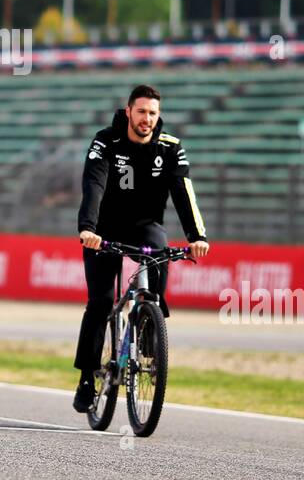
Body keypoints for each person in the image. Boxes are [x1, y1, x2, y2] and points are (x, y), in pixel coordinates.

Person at [72, 84, 210, 412]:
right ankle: (88, 379)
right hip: (102, 230)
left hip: (144, 227)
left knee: (161, 254)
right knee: (102, 302)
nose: (147, 119)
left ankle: (150, 327)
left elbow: (183, 192)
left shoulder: (171, 148)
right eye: (141, 112)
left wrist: (197, 236)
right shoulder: (107, 140)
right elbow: (93, 184)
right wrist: (87, 228)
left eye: (153, 113)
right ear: (129, 111)